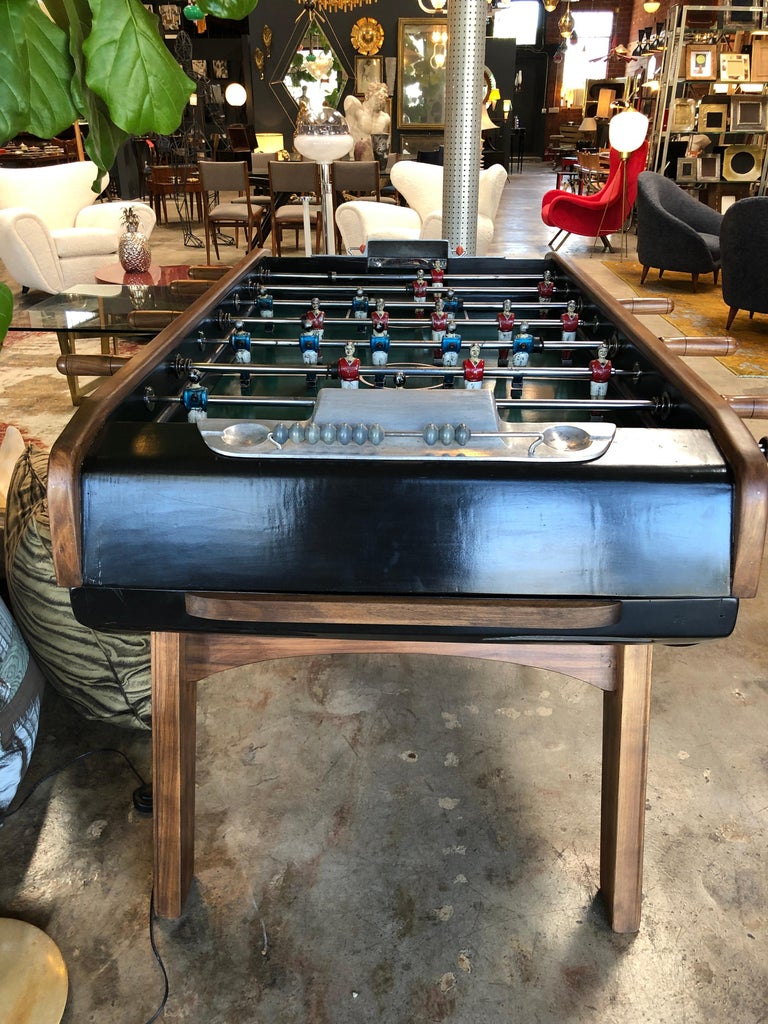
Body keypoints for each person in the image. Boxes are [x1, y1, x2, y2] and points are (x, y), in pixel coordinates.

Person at [343, 82, 391, 162]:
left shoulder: (385, 118)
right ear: (368, 95)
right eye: (378, 96)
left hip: (374, 161)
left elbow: (383, 144)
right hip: (354, 159)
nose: (381, 100)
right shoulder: (356, 110)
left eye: (383, 98)